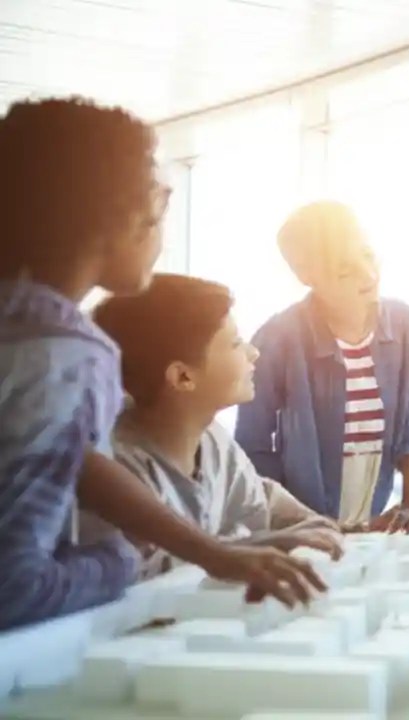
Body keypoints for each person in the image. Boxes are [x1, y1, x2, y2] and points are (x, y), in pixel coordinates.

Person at [0, 97, 325, 631]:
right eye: (157, 209)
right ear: (124, 221)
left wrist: (213, 553)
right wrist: (118, 566)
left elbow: (72, 458)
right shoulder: (69, 354)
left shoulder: (20, 328)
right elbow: (13, 585)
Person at [94, 274, 345, 578]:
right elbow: (145, 574)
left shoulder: (212, 438)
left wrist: (327, 529)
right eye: (236, 343)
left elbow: (261, 501)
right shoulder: (116, 466)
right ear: (183, 377)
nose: (253, 352)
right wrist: (259, 544)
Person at [235, 201, 409, 532]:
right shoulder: (277, 338)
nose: (368, 275)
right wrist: (298, 524)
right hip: (300, 523)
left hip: (375, 520)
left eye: (368, 255)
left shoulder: (404, 325)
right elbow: (252, 446)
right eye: (344, 271)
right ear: (306, 276)